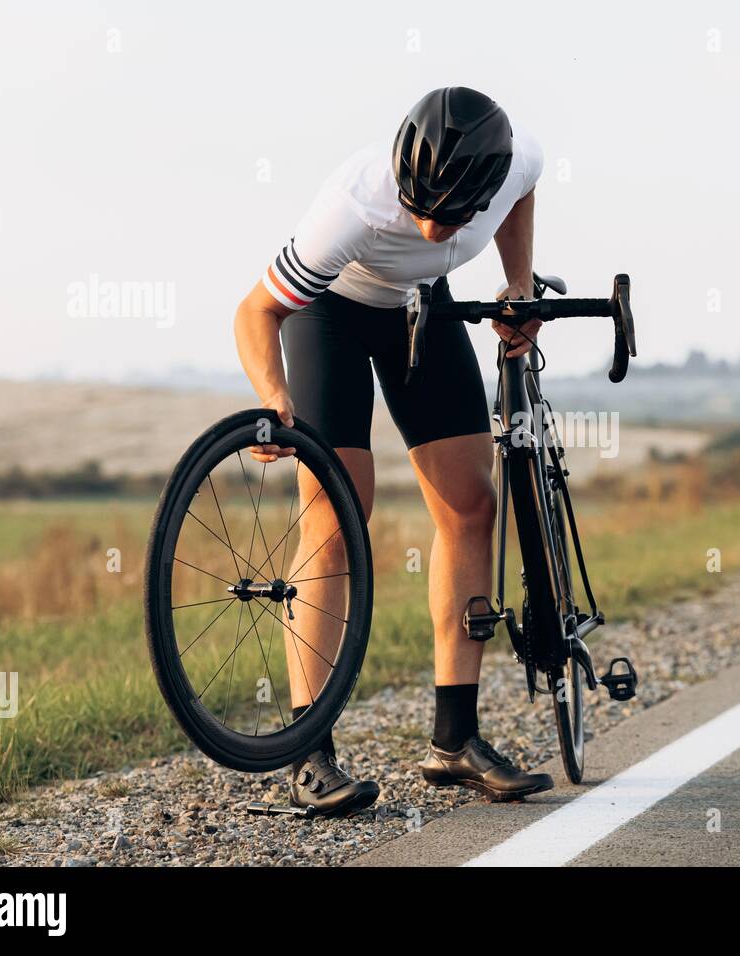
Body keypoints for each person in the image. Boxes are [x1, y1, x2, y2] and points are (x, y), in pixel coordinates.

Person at [233, 87, 555, 815]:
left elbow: (529, 184)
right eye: (418, 207)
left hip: (419, 305)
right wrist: (272, 395)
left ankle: (455, 741)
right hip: (330, 316)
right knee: (338, 519)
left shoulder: (514, 162)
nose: (427, 224)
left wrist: (518, 280)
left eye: (447, 218)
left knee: (472, 503)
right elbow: (257, 309)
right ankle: (309, 755)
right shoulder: (352, 206)